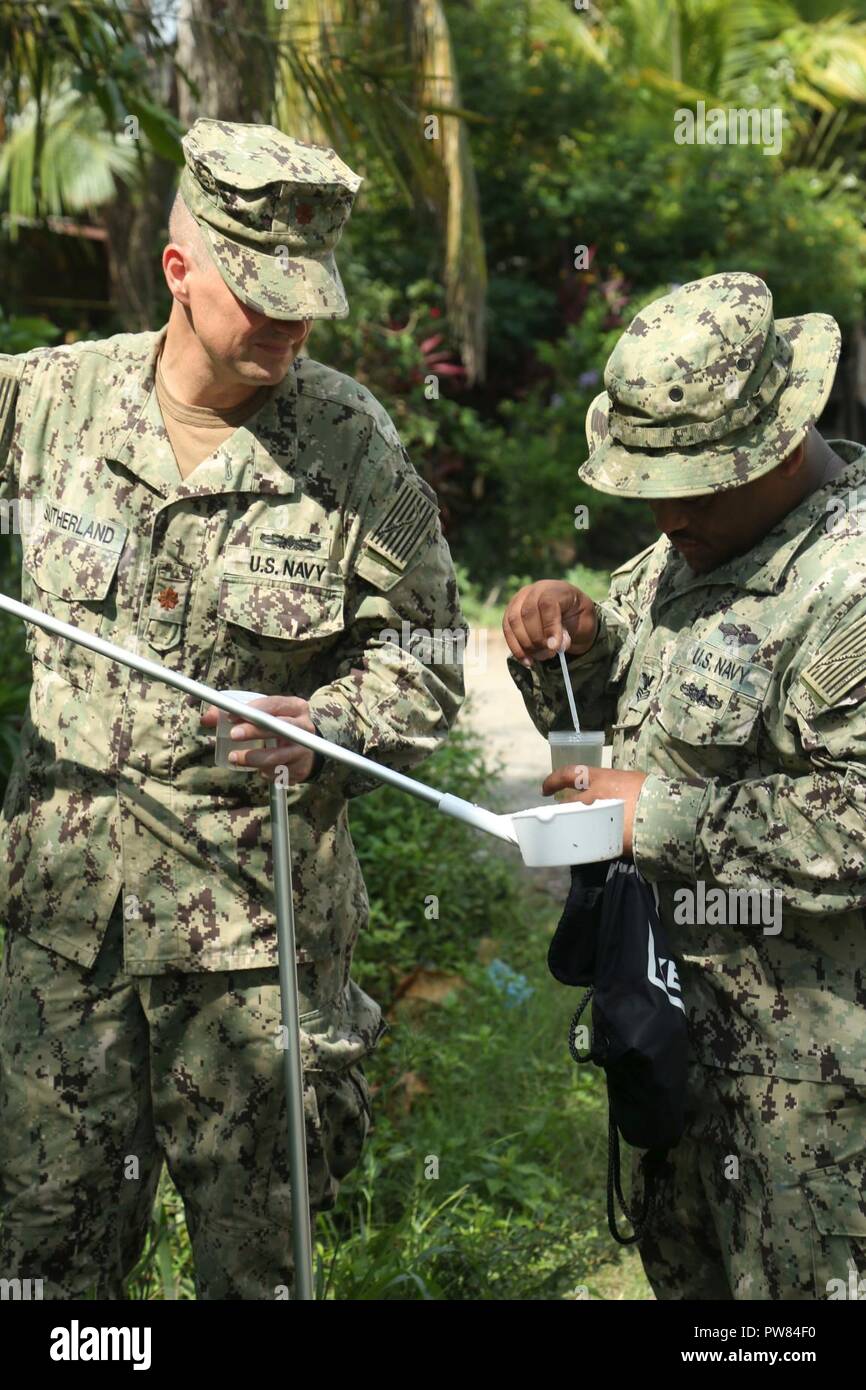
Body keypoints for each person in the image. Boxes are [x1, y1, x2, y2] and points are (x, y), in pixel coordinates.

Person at [0, 118, 466, 1299]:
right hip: (65, 943)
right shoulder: (45, 405)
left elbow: (426, 657)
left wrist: (327, 728)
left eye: (307, 294)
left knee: (259, 1272)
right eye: (258, 291)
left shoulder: (348, 442)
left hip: (255, 955)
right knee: (45, 1270)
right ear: (178, 271)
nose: (287, 320)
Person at [503, 271, 866, 1300]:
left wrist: (643, 811)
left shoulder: (847, 582)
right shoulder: (686, 548)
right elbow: (615, 728)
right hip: (677, 1050)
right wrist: (569, 643)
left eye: (693, 483)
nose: (664, 513)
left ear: (777, 445)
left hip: (815, 1103)